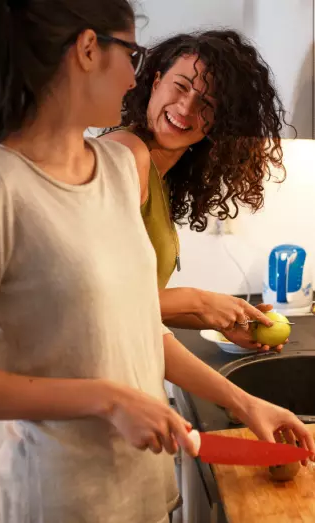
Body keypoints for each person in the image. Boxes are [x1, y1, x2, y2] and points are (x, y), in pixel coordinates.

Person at [0, 4, 313, 523]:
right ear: (86, 50)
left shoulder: (119, 169)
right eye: (131, 53)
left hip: (143, 489)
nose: (134, 75)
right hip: (63, 500)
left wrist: (246, 405)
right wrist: (108, 400)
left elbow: (141, 328)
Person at [101, 30, 291, 352]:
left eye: (207, 102)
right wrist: (199, 301)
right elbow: (93, 300)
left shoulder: (157, 170)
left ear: (220, 121)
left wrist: (225, 318)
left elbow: (138, 303)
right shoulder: (126, 155)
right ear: (156, 81)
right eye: (181, 86)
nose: (187, 108)